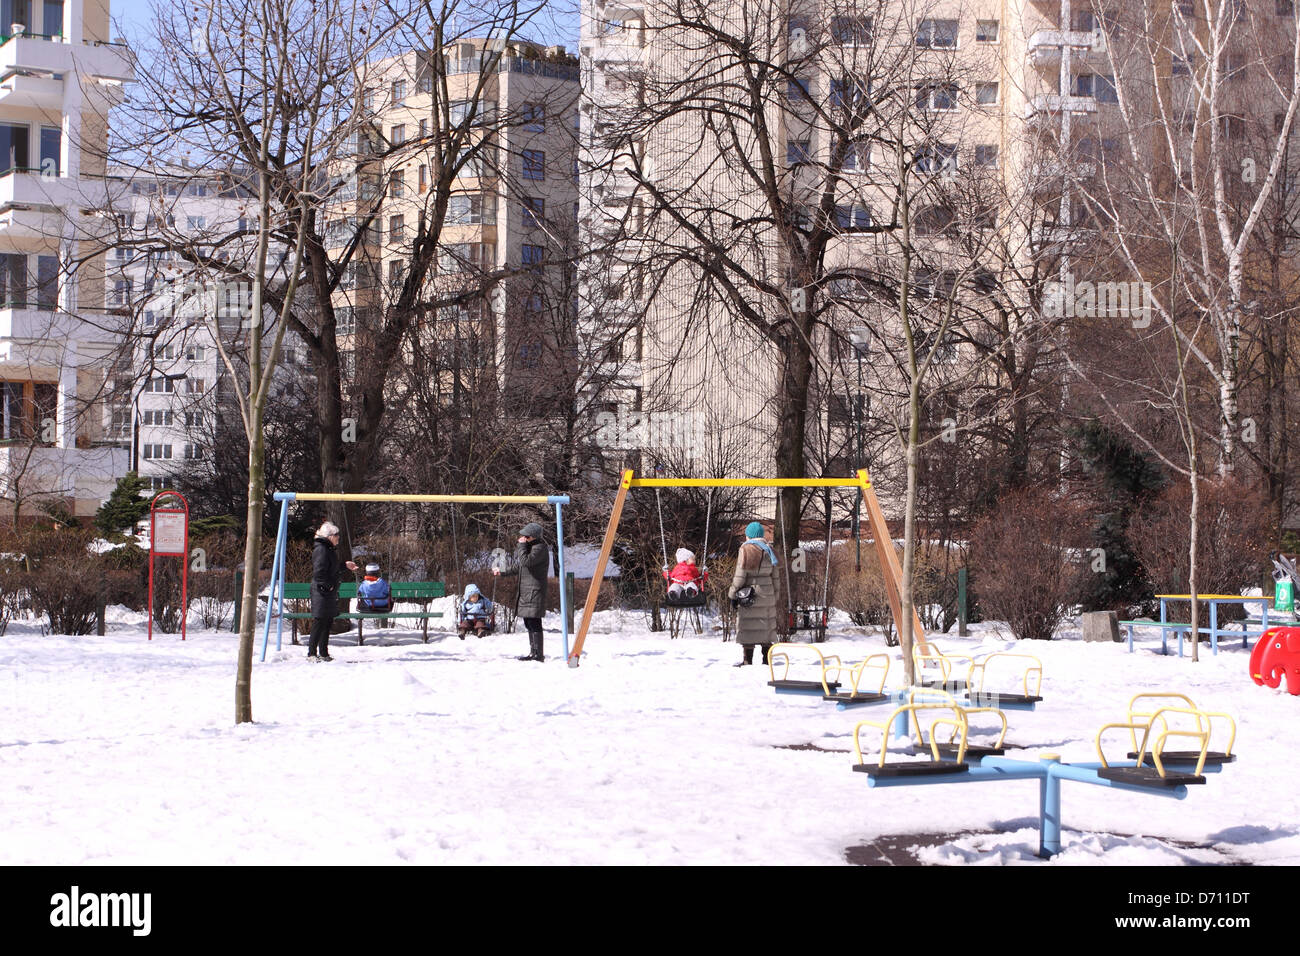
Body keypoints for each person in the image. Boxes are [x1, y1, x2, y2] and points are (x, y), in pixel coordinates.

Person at [493, 521, 549, 662]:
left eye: (526, 537)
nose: (523, 539)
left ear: (533, 537)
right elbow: (520, 567)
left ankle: (538, 654)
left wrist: (521, 546)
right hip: (526, 590)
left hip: (534, 590)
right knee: (528, 622)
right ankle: (533, 652)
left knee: (534, 622)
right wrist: (502, 572)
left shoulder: (540, 548)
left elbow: (525, 562)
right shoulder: (531, 548)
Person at [729, 521, 778, 667]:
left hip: (749, 595)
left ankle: (747, 660)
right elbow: (776, 577)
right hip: (768, 594)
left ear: (748, 535)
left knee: (748, 627)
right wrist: (776, 595)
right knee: (767, 628)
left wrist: (732, 594)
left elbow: (740, 576)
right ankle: (766, 660)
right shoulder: (770, 550)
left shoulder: (746, 550)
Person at [309, 521, 357, 662]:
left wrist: (344, 565)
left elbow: (332, 569)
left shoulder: (327, 549)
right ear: (329, 536)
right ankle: (311, 653)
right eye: (336, 535)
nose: (338, 537)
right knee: (319, 621)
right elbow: (319, 572)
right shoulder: (322, 549)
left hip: (326, 591)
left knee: (327, 621)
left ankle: (323, 652)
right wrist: (328, 586)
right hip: (321, 591)